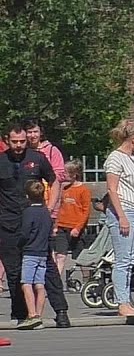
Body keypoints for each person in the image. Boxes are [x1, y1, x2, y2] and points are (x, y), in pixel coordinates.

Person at [3, 124, 70, 328]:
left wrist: (49, 209)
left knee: (48, 268)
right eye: (15, 142)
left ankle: (61, 312)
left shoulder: (37, 158)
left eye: (22, 141)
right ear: (7, 140)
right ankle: (23, 314)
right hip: (7, 223)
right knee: (14, 271)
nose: (19, 145)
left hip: (34, 221)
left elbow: (55, 180)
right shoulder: (1, 161)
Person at [105, 119, 134, 318]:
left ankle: (126, 299)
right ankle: (121, 301)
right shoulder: (116, 158)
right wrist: (121, 216)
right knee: (122, 260)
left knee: (131, 259)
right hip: (123, 211)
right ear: (133, 138)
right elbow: (112, 189)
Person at [16, 180, 53, 330]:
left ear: (27, 196)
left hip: (30, 251)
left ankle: (32, 315)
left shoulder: (28, 212)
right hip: (43, 252)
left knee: (26, 283)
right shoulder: (46, 213)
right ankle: (39, 315)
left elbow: (25, 233)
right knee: (40, 285)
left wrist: (19, 244)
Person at [52, 159, 91, 283]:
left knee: (80, 256)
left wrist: (78, 228)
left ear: (75, 174)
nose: (64, 174)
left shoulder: (83, 190)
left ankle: (87, 280)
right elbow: (61, 208)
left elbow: (86, 211)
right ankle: (56, 282)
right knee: (60, 255)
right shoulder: (65, 189)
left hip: (75, 227)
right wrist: (56, 225)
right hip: (62, 226)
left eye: (67, 172)